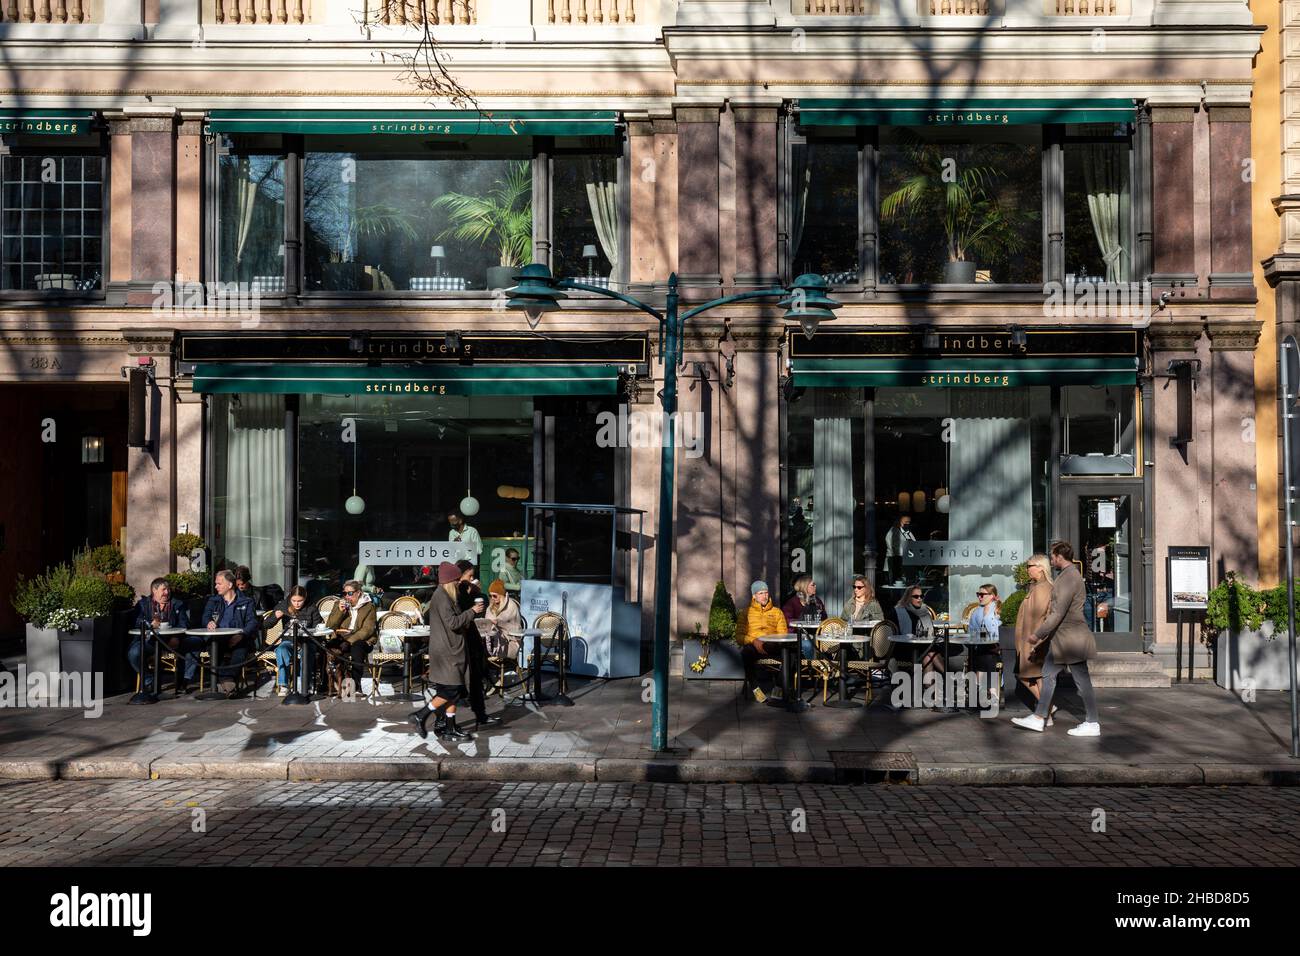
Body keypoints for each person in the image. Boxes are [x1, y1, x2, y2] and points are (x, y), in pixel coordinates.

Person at [1012, 541, 1101, 737]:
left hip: (1072, 639)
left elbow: (1057, 613)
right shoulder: (1067, 575)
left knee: (1081, 680)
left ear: (1060, 556)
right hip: (1064, 639)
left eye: (1052, 556)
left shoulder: (1070, 577)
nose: (1051, 560)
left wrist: (1038, 634)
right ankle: (1039, 718)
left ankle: (1092, 722)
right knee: (1048, 674)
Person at [408, 562, 478, 741]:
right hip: (447, 652)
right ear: (449, 581)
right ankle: (420, 715)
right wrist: (472, 612)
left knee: (455, 690)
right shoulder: (442, 597)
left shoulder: (447, 595)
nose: (457, 584)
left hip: (451, 650)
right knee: (451, 690)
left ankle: (450, 727)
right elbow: (453, 623)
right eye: (455, 581)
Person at [128, 578, 199, 692]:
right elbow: (136, 622)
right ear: (154, 591)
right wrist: (149, 624)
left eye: (168, 589)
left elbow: (184, 624)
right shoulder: (143, 605)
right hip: (150, 642)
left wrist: (176, 637)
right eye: (164, 589)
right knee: (134, 653)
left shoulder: (177, 604)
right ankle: (149, 681)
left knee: (195, 642)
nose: (167, 592)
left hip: (172, 642)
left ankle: (184, 681)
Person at [456, 560, 500, 727]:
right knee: (454, 683)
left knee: (476, 675)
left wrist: (475, 592)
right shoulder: (454, 591)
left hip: (471, 637)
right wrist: (470, 594)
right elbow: (459, 615)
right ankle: (435, 717)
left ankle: (480, 713)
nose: (472, 578)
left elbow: (479, 605)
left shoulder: (466, 591)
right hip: (461, 640)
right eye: (470, 575)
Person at [201, 569, 262, 683]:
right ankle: (228, 680)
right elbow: (205, 617)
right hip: (217, 638)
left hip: (240, 638)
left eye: (219, 583)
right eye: (216, 583)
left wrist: (241, 634)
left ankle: (226, 681)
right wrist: (209, 622)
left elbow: (252, 622)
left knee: (239, 653)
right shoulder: (213, 601)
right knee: (215, 651)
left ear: (229, 585)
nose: (216, 586)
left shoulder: (246, 601)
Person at [737, 580, 789, 704]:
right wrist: (754, 641)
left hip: (772, 645)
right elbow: (739, 636)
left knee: (791, 654)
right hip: (754, 646)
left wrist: (774, 641)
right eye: (760, 593)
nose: (764, 596)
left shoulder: (777, 612)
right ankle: (755, 688)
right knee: (746, 653)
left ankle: (779, 687)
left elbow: (783, 634)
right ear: (754, 596)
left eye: (766, 593)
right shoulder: (746, 613)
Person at [1015, 554, 1055, 711]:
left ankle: (1048, 709)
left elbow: (1040, 617)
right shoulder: (1038, 587)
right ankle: (1047, 711)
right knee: (1034, 676)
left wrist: (1036, 641)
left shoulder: (1043, 588)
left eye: (1029, 566)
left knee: (1033, 675)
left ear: (1040, 568)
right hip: (1030, 639)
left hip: (1033, 640)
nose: (1027, 569)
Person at [324, 580, 378, 690]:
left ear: (358, 593)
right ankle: (327, 684)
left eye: (350, 593)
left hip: (362, 639)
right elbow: (330, 625)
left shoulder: (369, 607)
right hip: (342, 636)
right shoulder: (339, 604)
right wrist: (340, 611)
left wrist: (350, 641)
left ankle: (355, 685)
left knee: (357, 648)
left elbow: (367, 630)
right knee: (327, 646)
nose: (347, 596)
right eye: (345, 593)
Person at [272, 585, 323, 696]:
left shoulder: (311, 607)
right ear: (290, 598)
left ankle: (306, 684)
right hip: (289, 640)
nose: (297, 604)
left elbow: (318, 626)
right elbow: (266, 624)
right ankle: (284, 685)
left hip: (307, 641)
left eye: (300, 601)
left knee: (307, 652)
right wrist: (275, 616)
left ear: (305, 598)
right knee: (281, 649)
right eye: (294, 601)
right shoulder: (284, 605)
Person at [842, 576, 885, 669]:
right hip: (850, 638)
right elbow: (842, 621)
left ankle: (860, 673)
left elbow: (881, 623)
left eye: (859, 587)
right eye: (854, 587)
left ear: (866, 588)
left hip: (867, 639)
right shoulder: (849, 603)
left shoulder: (873, 604)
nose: (856, 590)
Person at [782, 573, 826, 660]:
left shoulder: (817, 601)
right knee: (808, 645)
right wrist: (801, 621)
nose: (815, 587)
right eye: (813, 585)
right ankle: (813, 668)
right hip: (798, 635)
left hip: (816, 633)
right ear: (805, 586)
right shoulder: (793, 602)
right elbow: (786, 619)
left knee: (832, 644)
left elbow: (824, 618)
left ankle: (827, 667)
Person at [965, 582, 1003, 675]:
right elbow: (971, 632)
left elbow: (996, 632)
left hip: (996, 649)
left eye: (982, 595)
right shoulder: (976, 611)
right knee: (981, 655)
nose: (979, 597)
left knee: (986, 656)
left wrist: (986, 615)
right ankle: (985, 686)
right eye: (978, 594)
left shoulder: (998, 609)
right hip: (979, 648)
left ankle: (987, 686)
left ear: (992, 596)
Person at [484, 579, 523, 662]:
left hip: (510, 641)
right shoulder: (491, 607)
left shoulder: (511, 606)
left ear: (502, 595)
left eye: (495, 596)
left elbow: (515, 628)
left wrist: (498, 623)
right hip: (493, 640)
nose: (492, 598)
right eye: (490, 596)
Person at [884, 516, 916, 585]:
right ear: (899, 522)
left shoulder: (907, 532)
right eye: (906, 522)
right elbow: (895, 548)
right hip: (894, 562)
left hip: (905, 563)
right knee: (896, 585)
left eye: (909, 522)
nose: (908, 524)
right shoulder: (894, 531)